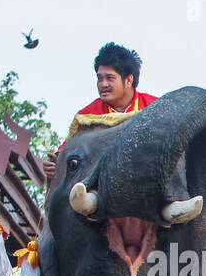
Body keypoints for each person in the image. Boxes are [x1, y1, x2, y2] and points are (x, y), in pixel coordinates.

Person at [44, 43, 158, 180]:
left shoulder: (156, 107)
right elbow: (66, 153)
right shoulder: (86, 116)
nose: (103, 84)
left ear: (128, 80)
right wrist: (54, 164)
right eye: (99, 78)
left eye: (110, 78)